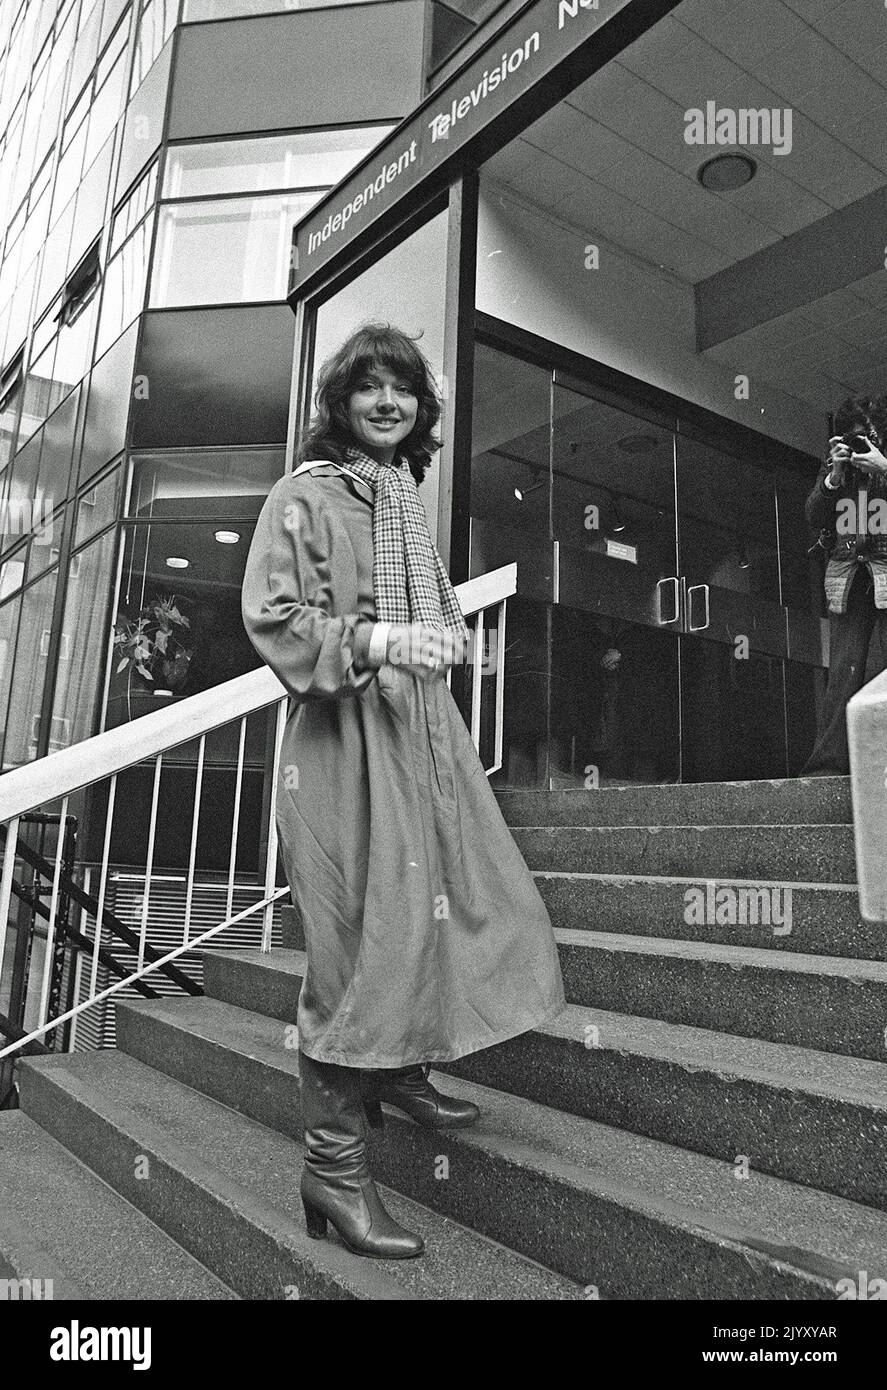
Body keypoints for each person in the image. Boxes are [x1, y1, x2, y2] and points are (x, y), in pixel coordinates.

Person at [240, 323, 565, 1259]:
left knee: (458, 909)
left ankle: (402, 1066)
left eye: (404, 390)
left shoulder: (397, 500)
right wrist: (381, 642)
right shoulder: (302, 495)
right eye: (368, 387)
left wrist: (425, 645)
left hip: (422, 738)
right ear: (340, 403)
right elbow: (270, 614)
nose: (388, 402)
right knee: (356, 956)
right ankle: (332, 1176)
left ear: (420, 410)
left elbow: (422, 620)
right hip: (342, 753)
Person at [802, 395, 887, 775]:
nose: (859, 446)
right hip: (849, 575)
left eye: (866, 436)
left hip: (884, 571)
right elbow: (813, 515)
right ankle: (829, 766)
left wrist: (883, 467)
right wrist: (834, 478)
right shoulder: (839, 471)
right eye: (851, 438)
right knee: (843, 671)